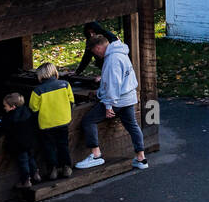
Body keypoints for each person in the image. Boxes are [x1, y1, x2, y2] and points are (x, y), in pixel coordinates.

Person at [76, 35, 148, 171]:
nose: (95, 55)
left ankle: (96, 155)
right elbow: (121, 74)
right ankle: (141, 158)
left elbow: (113, 85)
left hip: (116, 100)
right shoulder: (120, 52)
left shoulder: (111, 60)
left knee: (88, 121)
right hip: (129, 97)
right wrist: (104, 76)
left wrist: (108, 105)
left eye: (94, 52)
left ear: (98, 47)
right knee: (132, 126)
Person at [30, 62, 75, 180]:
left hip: (46, 124)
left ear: (40, 75)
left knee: (49, 147)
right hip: (63, 120)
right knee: (63, 145)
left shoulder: (37, 90)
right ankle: (66, 167)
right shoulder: (65, 84)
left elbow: (33, 108)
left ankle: (53, 169)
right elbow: (71, 101)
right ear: (54, 72)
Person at [0, 92, 40, 190]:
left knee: (23, 161)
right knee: (31, 158)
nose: (4, 108)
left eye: (5, 106)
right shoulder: (27, 111)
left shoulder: (10, 117)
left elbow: (3, 128)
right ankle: (36, 174)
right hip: (30, 141)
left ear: (13, 107)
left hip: (19, 144)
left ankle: (26, 180)